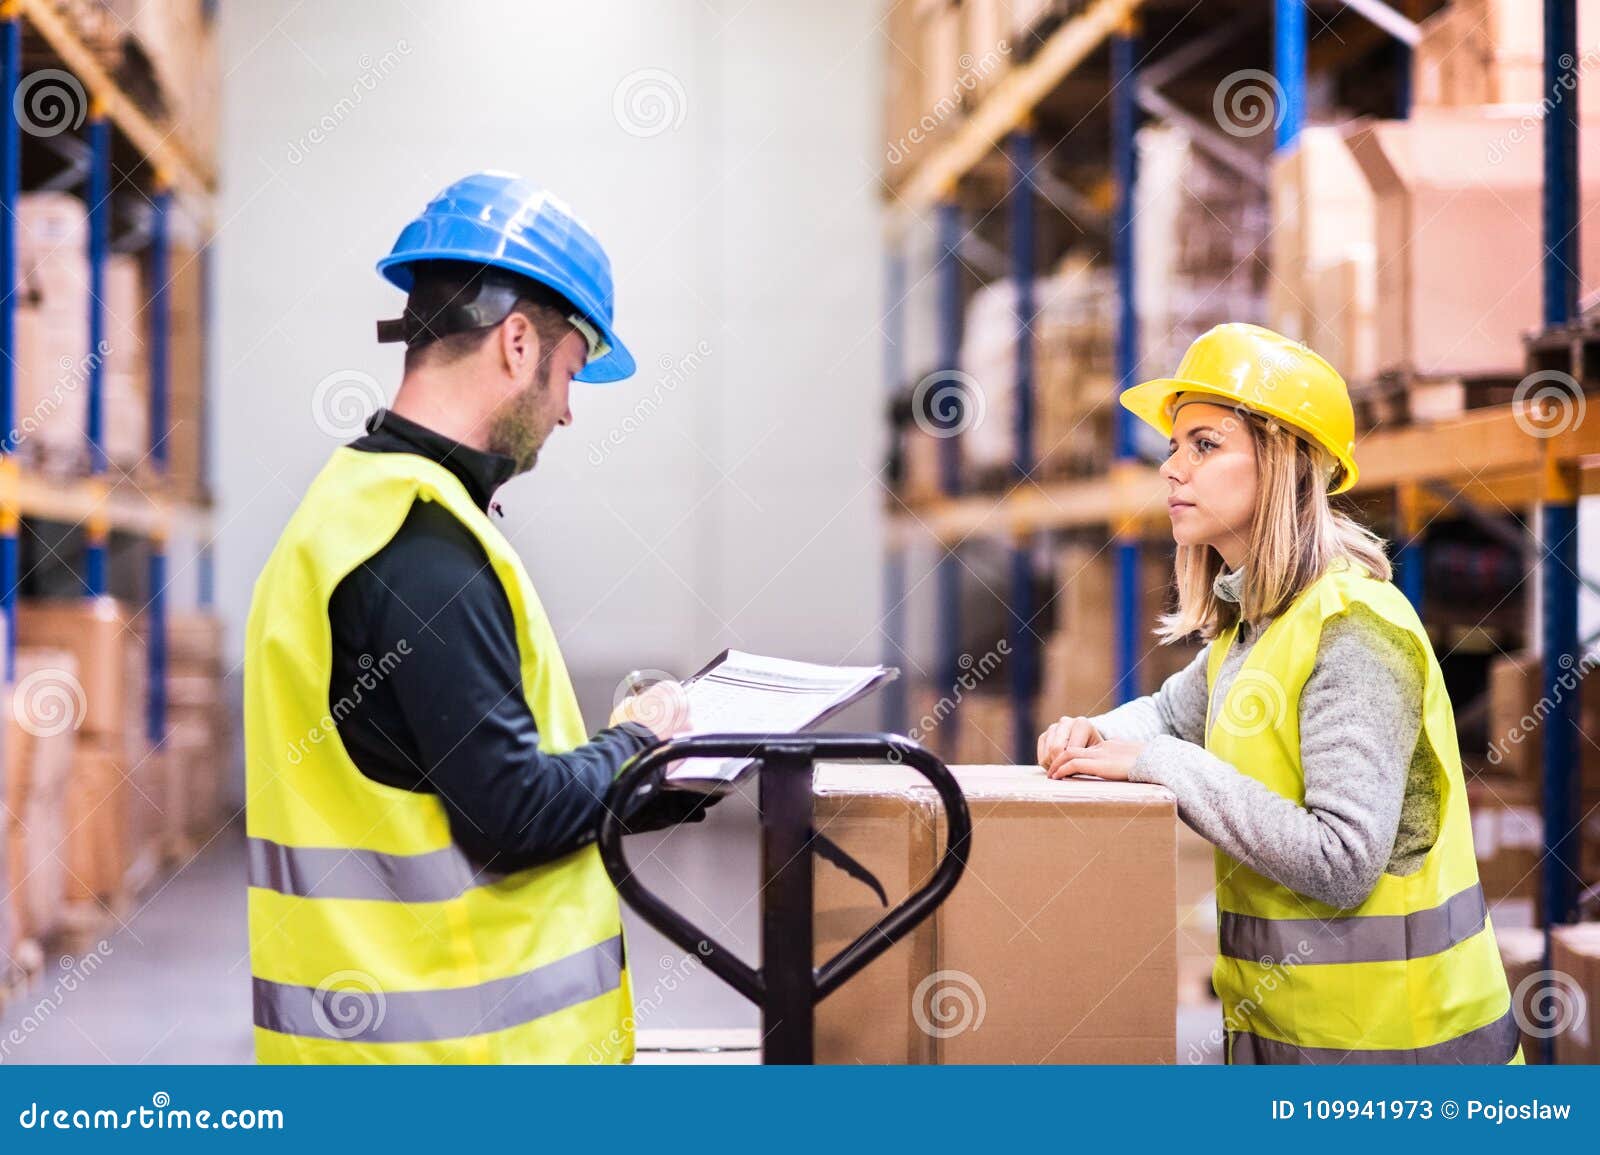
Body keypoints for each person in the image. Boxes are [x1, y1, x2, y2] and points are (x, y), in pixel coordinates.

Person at [245, 172, 700, 1063]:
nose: (569, 408)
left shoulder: (364, 509)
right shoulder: (417, 547)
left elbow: (445, 783)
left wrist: (650, 776)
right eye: (571, 371)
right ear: (519, 342)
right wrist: (639, 742)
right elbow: (513, 814)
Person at [1037, 323, 1523, 1065]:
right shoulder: (1256, 629)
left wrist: (1160, 763)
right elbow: (1167, 715)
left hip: (1402, 1069)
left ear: (1283, 461)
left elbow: (1340, 859)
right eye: (1173, 446)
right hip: (1295, 1050)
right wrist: (1090, 731)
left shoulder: (1352, 631)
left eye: (1205, 444)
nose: (1172, 469)